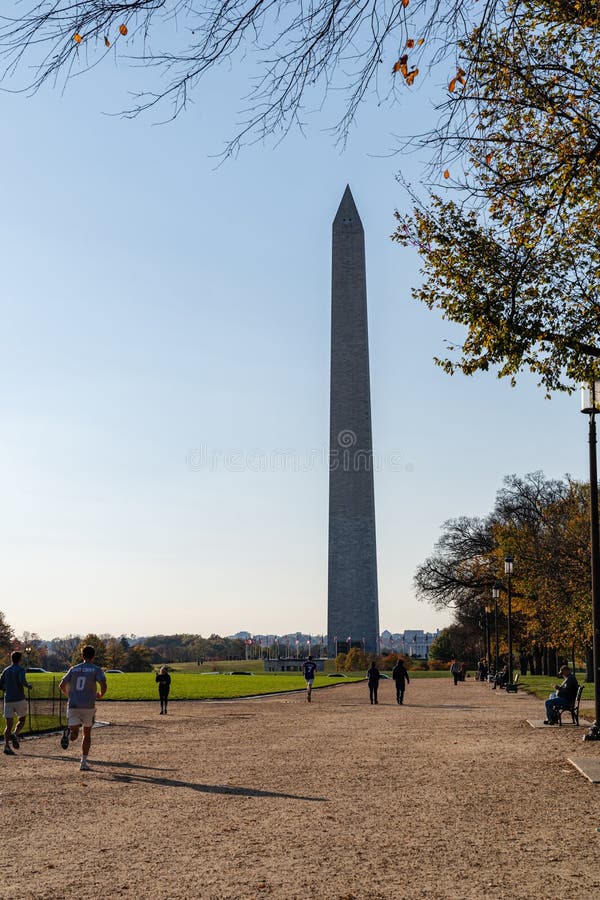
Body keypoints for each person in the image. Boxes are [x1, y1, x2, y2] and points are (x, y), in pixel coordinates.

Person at [59, 644, 107, 770]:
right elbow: (103, 683)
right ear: (94, 656)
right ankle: (83, 762)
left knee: (75, 734)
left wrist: (69, 694)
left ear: (82, 655)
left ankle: (69, 733)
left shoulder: (73, 669)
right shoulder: (96, 669)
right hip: (88, 705)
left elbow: (61, 685)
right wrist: (101, 694)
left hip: (74, 704)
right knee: (87, 733)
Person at [0, 651, 32, 756]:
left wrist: (6, 690)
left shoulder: (6, 670)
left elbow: (0, 684)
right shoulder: (20, 669)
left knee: (8, 725)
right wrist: (28, 685)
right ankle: (15, 734)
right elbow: (22, 681)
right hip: (19, 698)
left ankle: (6, 746)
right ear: (19, 659)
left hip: (8, 699)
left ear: (11, 658)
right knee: (22, 719)